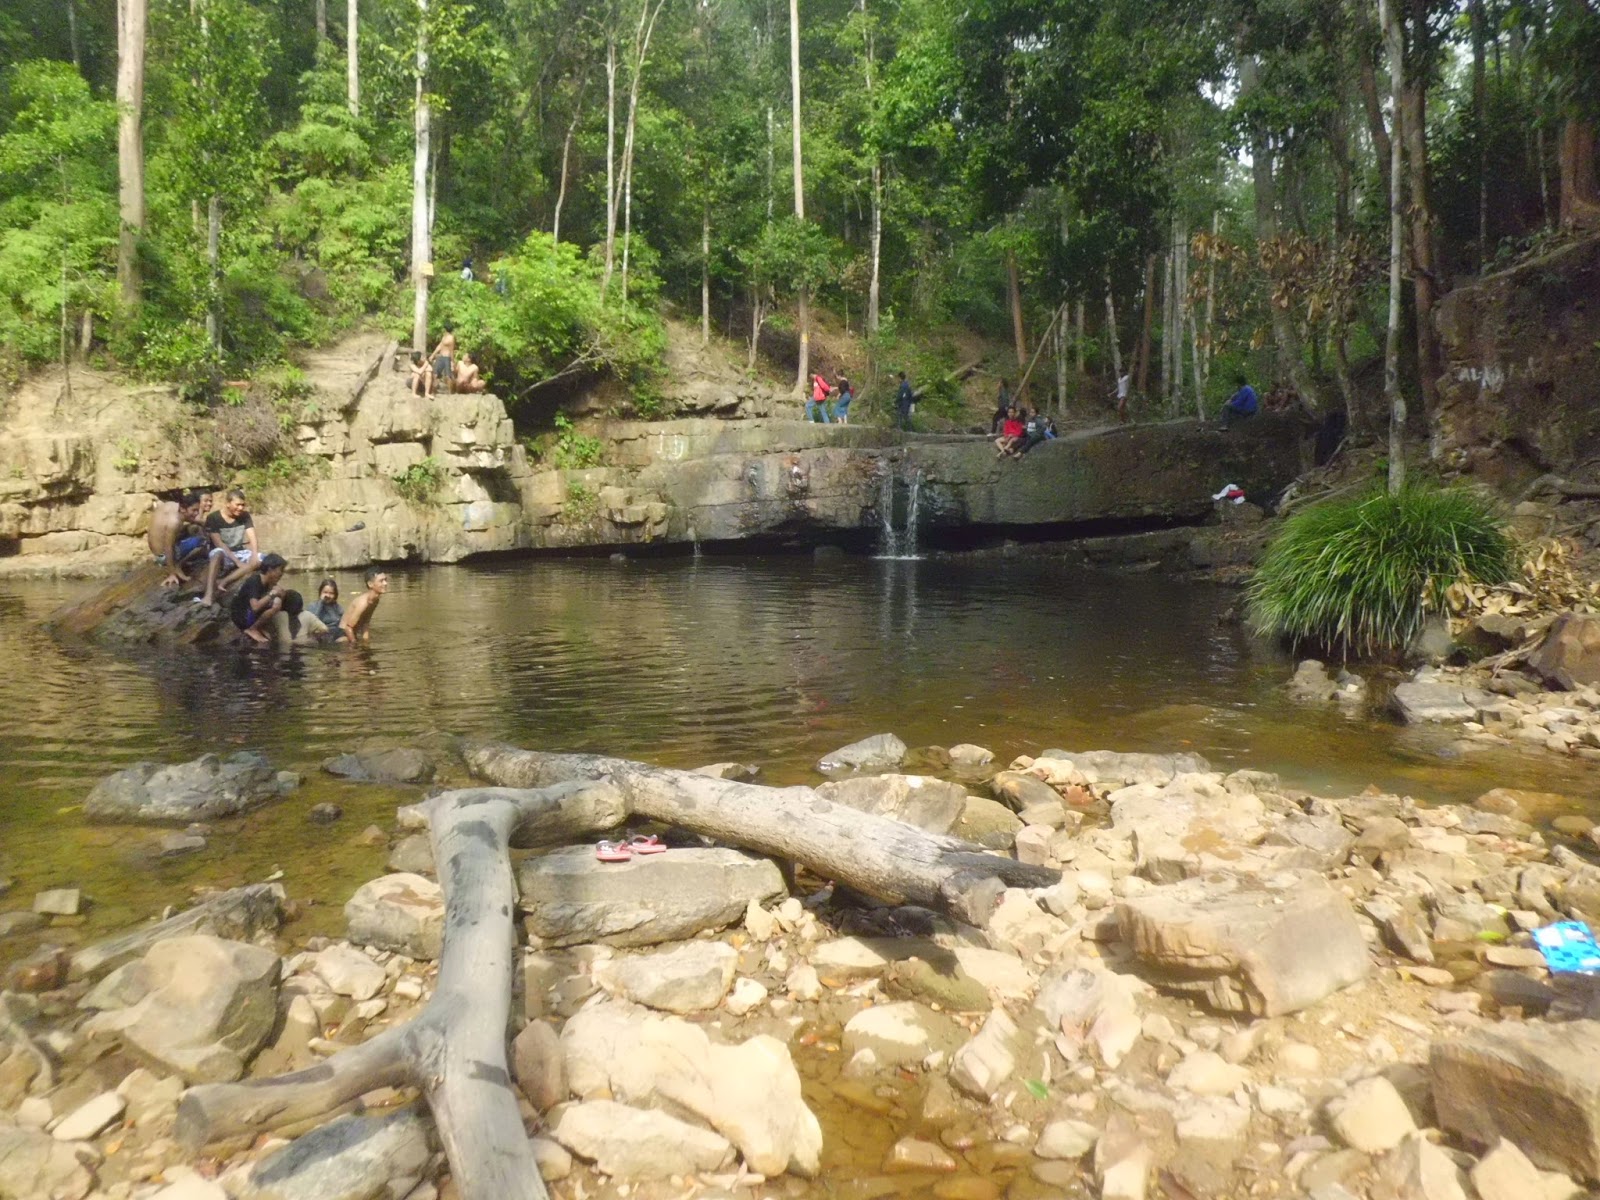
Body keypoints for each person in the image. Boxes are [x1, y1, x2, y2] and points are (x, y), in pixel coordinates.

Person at [198, 489, 262, 606]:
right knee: (217, 553)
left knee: (261, 559)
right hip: (223, 553)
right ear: (228, 503)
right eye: (237, 505)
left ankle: (223, 582)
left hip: (240, 552)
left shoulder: (245, 516)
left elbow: (252, 537)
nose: (241, 508)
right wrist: (236, 562)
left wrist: (254, 554)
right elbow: (218, 543)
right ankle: (209, 594)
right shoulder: (214, 518)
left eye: (243, 505)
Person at [149, 492, 207, 587]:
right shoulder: (175, 522)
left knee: (193, 528)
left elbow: (190, 519)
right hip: (163, 556)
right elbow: (168, 547)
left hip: (157, 550)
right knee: (201, 540)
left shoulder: (171, 505)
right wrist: (172, 573)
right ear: (183, 509)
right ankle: (178, 565)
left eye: (198, 510)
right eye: (194, 510)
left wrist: (203, 523)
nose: (196, 513)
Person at [230, 553, 287, 645]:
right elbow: (255, 607)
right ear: (270, 570)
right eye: (281, 570)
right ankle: (252, 629)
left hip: (250, 614)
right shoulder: (255, 581)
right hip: (242, 617)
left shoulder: (268, 582)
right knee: (276, 603)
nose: (282, 573)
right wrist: (272, 594)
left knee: (277, 600)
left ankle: (258, 626)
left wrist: (280, 594)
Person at [340, 567, 389, 642]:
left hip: (353, 633)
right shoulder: (363, 603)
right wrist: (355, 646)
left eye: (385, 580)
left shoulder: (375, 600)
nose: (385, 583)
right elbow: (348, 627)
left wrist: (366, 642)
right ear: (370, 584)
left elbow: (365, 622)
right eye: (381, 581)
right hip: (342, 633)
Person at [430, 326, 457, 395]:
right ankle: (433, 391)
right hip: (441, 356)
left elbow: (451, 350)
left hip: (447, 357)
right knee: (435, 373)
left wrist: (452, 361)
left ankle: (450, 392)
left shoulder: (451, 338)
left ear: (445, 329)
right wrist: (433, 355)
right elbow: (440, 346)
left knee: (448, 375)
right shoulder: (444, 337)